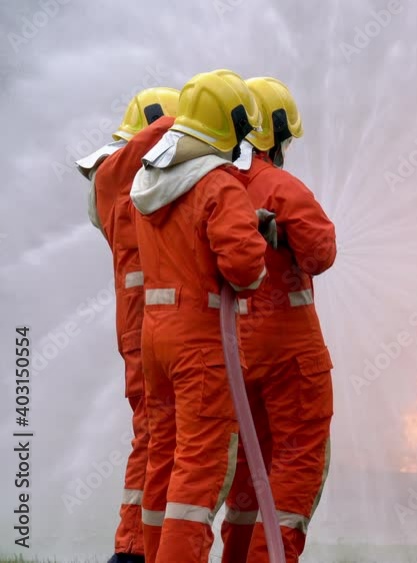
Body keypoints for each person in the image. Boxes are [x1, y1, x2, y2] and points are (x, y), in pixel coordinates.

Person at [129, 68, 268, 563]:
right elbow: (245, 269)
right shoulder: (217, 186)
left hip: (154, 338)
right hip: (200, 345)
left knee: (162, 461)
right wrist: (255, 236)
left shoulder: (149, 179)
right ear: (229, 125)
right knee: (199, 470)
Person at [220, 76, 336, 563]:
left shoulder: (217, 187)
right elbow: (321, 253)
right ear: (276, 132)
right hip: (291, 356)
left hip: (235, 353)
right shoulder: (281, 186)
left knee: (248, 471)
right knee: (297, 462)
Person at [75, 86, 180, 563]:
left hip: (146, 325)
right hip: (146, 327)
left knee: (160, 433)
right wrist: (201, 118)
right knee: (156, 433)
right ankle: (133, 549)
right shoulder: (117, 177)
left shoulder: (125, 181)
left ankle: (143, 547)